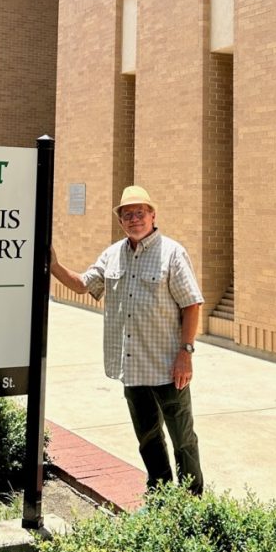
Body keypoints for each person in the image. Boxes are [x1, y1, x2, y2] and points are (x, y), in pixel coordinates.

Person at [50, 185, 204, 494]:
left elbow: (192, 304)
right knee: (148, 436)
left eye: (140, 213)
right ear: (121, 221)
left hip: (167, 366)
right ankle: (160, 493)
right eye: (127, 215)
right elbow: (82, 285)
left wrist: (185, 353)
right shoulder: (113, 255)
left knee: (182, 437)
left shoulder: (172, 253)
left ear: (152, 216)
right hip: (133, 368)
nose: (134, 219)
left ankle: (192, 500)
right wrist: (52, 265)